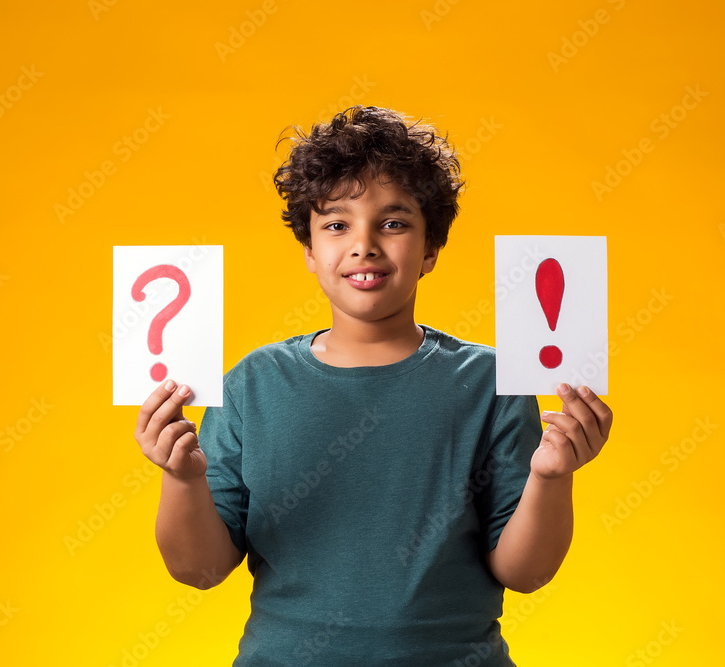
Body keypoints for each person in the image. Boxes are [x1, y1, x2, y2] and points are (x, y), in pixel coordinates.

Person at [134, 105, 613, 665]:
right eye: (337, 224)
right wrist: (183, 478)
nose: (364, 244)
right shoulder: (252, 385)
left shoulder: (492, 384)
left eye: (394, 222)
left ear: (430, 249)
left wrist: (552, 478)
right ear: (310, 252)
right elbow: (200, 571)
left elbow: (525, 573)